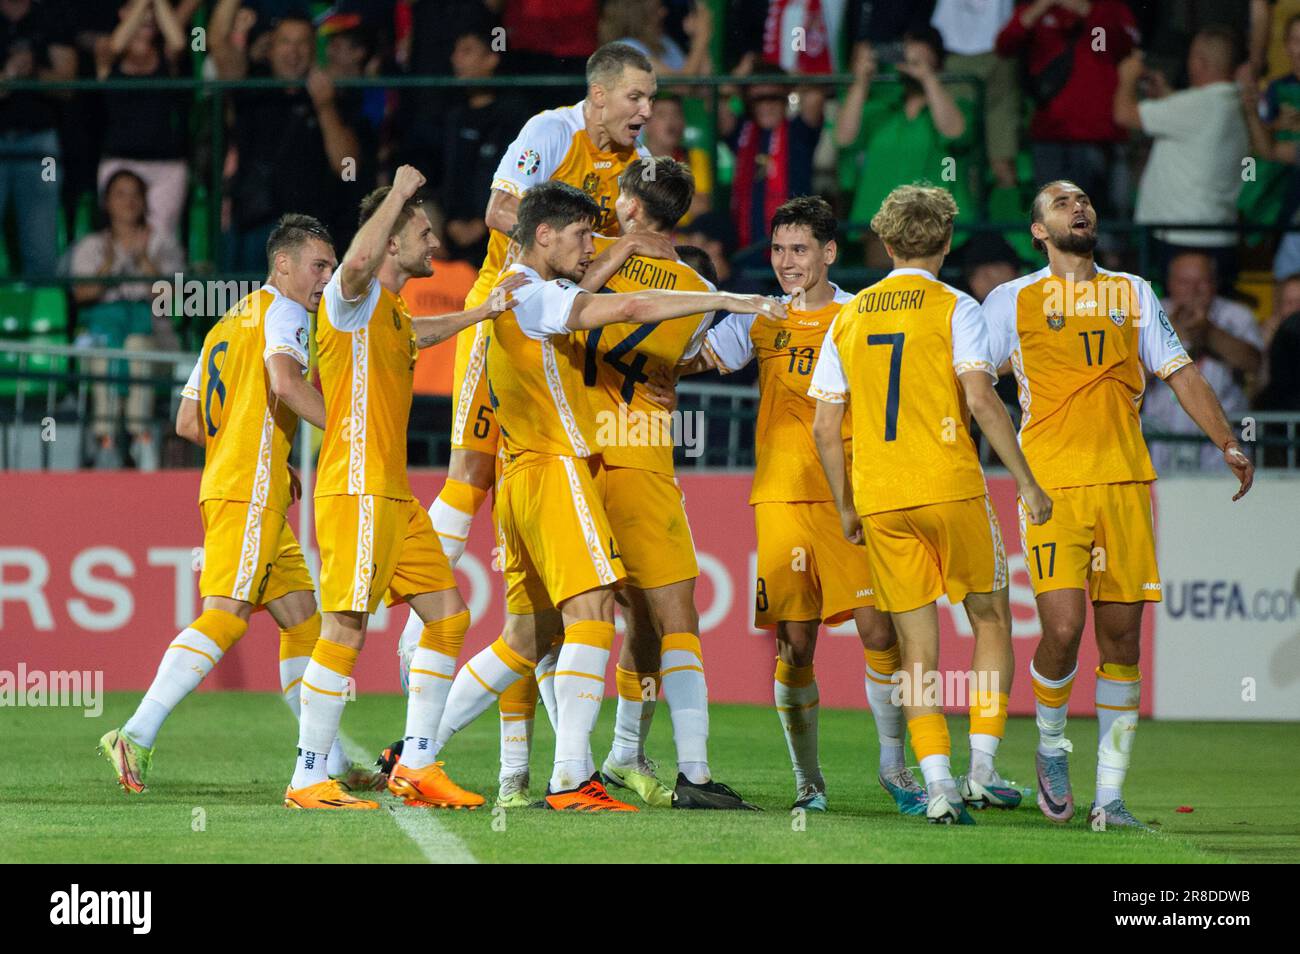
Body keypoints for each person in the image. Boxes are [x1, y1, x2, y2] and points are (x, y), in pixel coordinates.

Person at [420, 180, 785, 811]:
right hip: (578, 465)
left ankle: (422, 755)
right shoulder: (577, 288)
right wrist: (726, 297)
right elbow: (630, 315)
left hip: (527, 471)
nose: (593, 243)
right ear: (546, 234)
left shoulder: (524, 286)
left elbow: (584, 305)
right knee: (623, 617)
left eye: (601, 230)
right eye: (583, 235)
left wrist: (611, 259)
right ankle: (589, 776)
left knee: (526, 635)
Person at [980, 180, 1254, 829]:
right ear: (1039, 230)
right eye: (1061, 202)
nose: (1079, 207)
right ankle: (1051, 745)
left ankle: (1109, 796)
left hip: (1126, 483)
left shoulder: (1131, 291)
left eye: (1083, 200)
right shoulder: (1010, 300)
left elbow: (1181, 371)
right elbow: (974, 383)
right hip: (1051, 487)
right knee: (1064, 629)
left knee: (1122, 640)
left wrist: (1227, 441)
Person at [401, 43, 658, 683]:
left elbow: (649, 241)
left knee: (550, 485)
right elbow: (498, 210)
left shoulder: (641, 165)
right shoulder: (550, 130)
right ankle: (418, 631)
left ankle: (529, 725)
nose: (646, 111)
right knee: (472, 469)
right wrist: (589, 246)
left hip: (569, 333)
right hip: (504, 316)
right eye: (636, 97)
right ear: (599, 95)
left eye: (651, 99)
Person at [98, 214, 378, 793]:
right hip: (249, 490)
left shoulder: (228, 322)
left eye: (331, 266)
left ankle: (321, 761)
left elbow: (187, 420)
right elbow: (283, 383)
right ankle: (137, 732)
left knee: (304, 622)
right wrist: (351, 432)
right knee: (225, 613)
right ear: (283, 264)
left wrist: (271, 457)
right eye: (318, 265)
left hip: (248, 484)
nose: (326, 278)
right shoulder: (285, 312)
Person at [283, 167, 526, 810]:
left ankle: (417, 766)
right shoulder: (349, 293)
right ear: (391, 239)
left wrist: (481, 311)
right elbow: (359, 258)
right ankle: (308, 775)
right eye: (421, 232)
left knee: (449, 616)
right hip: (356, 488)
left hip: (391, 492)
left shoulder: (389, 313)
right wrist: (396, 193)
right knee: (347, 625)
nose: (433, 244)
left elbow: (415, 337)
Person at [810, 184, 1051, 825]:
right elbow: (979, 398)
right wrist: (1025, 478)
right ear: (945, 243)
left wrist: (844, 506)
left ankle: (937, 783)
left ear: (886, 243)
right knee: (992, 621)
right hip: (949, 485)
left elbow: (824, 429)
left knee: (918, 651)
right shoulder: (955, 306)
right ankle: (981, 769)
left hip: (881, 497)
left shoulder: (851, 313)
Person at [677, 195, 926, 816]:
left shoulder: (859, 316)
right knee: (795, 643)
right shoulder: (760, 317)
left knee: (877, 628)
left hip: (851, 495)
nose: (787, 262)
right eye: (779, 249)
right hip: (783, 493)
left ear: (829, 252)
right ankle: (809, 780)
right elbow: (693, 358)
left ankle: (895, 766)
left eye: (800, 249)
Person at [210, 2, 365, 269]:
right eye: (285, 42)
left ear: (314, 49)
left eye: (302, 43)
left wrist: (325, 108)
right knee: (247, 309)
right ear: (270, 48)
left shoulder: (331, 95)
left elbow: (347, 168)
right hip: (254, 225)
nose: (293, 52)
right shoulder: (251, 83)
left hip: (308, 232)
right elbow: (215, 40)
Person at [68, 169, 185, 471]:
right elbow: (81, 293)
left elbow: (174, 298)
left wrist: (146, 262)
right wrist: (109, 267)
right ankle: (106, 444)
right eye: (120, 193)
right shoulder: (92, 246)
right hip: (104, 337)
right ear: (106, 202)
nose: (129, 201)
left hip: (156, 342)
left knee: (136, 345)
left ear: (145, 201)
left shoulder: (162, 243)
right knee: (106, 354)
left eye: (135, 194)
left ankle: (141, 438)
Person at [1115, 29, 1249, 287]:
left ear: (1198, 62)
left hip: (1181, 240)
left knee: (1175, 321)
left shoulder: (1199, 104)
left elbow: (1123, 114)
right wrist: (1167, 97)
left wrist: (1127, 76)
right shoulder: (1235, 103)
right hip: (1220, 237)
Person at [835, 31, 974, 262]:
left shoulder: (954, 106)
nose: (912, 64)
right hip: (881, 229)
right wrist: (862, 80)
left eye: (921, 59)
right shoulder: (880, 110)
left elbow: (954, 132)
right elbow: (843, 137)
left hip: (934, 227)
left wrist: (928, 78)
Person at [996, 0, 1139, 216]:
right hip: (1050, 133)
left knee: (1106, 222)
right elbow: (1004, 45)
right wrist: (1041, 7)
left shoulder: (1110, 8)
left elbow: (1121, 45)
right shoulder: (1038, 9)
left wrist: (1084, 10)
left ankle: (1109, 251)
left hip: (1100, 135)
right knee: (1055, 220)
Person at [1142, 252, 1263, 473]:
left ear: (1215, 283)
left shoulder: (1237, 316)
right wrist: (1172, 336)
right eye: (1184, 282)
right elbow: (1132, 373)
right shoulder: (1150, 311)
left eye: (1202, 282)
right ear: (1170, 283)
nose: (1193, 290)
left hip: (1222, 449)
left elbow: (1254, 364)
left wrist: (1210, 333)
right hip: (1161, 445)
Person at [93, 0, 190, 242]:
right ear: (122, 12)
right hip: (118, 161)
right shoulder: (107, 51)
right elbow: (115, 45)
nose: (147, 17)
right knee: (116, 236)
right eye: (139, 9)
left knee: (160, 239)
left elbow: (179, 42)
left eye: (152, 12)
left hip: (165, 164)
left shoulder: (167, 54)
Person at [434, 23, 530, 265]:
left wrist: (481, 222)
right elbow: (443, 177)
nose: (456, 59)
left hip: (497, 237)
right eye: (455, 51)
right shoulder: (450, 116)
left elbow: (522, 178)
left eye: (466, 51)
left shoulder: (515, 117)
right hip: (450, 238)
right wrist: (448, 220)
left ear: (491, 59)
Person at [0, 0, 76, 278]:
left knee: (41, 245)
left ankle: (43, 318)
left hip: (41, 147)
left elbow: (67, 86)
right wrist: (9, 74)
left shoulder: (50, 16)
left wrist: (33, 72)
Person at [720, 62, 825, 250]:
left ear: (785, 97)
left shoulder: (798, 132)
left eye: (773, 97)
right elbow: (715, 101)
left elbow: (815, 98)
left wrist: (791, 81)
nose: (766, 105)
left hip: (794, 249)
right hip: (747, 250)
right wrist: (738, 82)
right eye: (758, 99)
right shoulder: (743, 132)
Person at [931, 0, 1020, 189]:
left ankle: (1008, 214)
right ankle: (959, 212)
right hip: (951, 52)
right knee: (958, 154)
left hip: (1001, 53)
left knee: (1002, 162)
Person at [641, 93, 712, 221]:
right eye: (662, 115)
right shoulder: (633, 160)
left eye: (677, 114)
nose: (671, 121)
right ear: (646, 124)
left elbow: (701, 207)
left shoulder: (695, 157)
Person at [598, 0, 712, 77]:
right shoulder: (624, 48)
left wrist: (696, 37)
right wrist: (701, 38)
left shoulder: (664, 43)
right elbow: (680, 85)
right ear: (639, 15)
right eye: (657, 9)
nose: (664, 13)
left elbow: (703, 81)